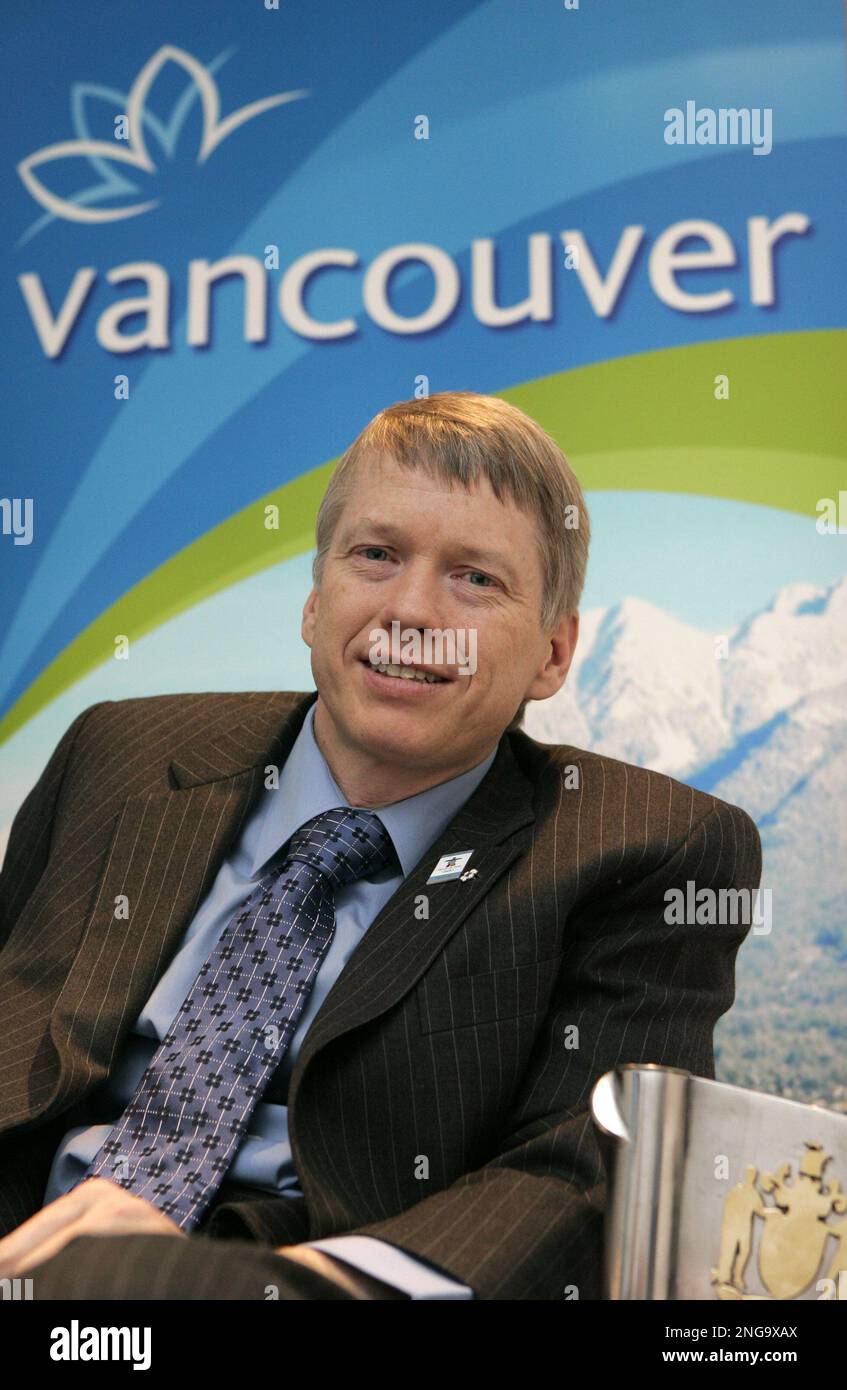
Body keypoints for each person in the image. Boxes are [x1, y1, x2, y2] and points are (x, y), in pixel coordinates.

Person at [0, 391, 761, 1300]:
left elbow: (584, 1169)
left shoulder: (650, 849)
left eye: (475, 578)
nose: (410, 610)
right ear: (316, 602)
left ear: (554, 655)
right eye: (375, 555)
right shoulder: (118, 756)